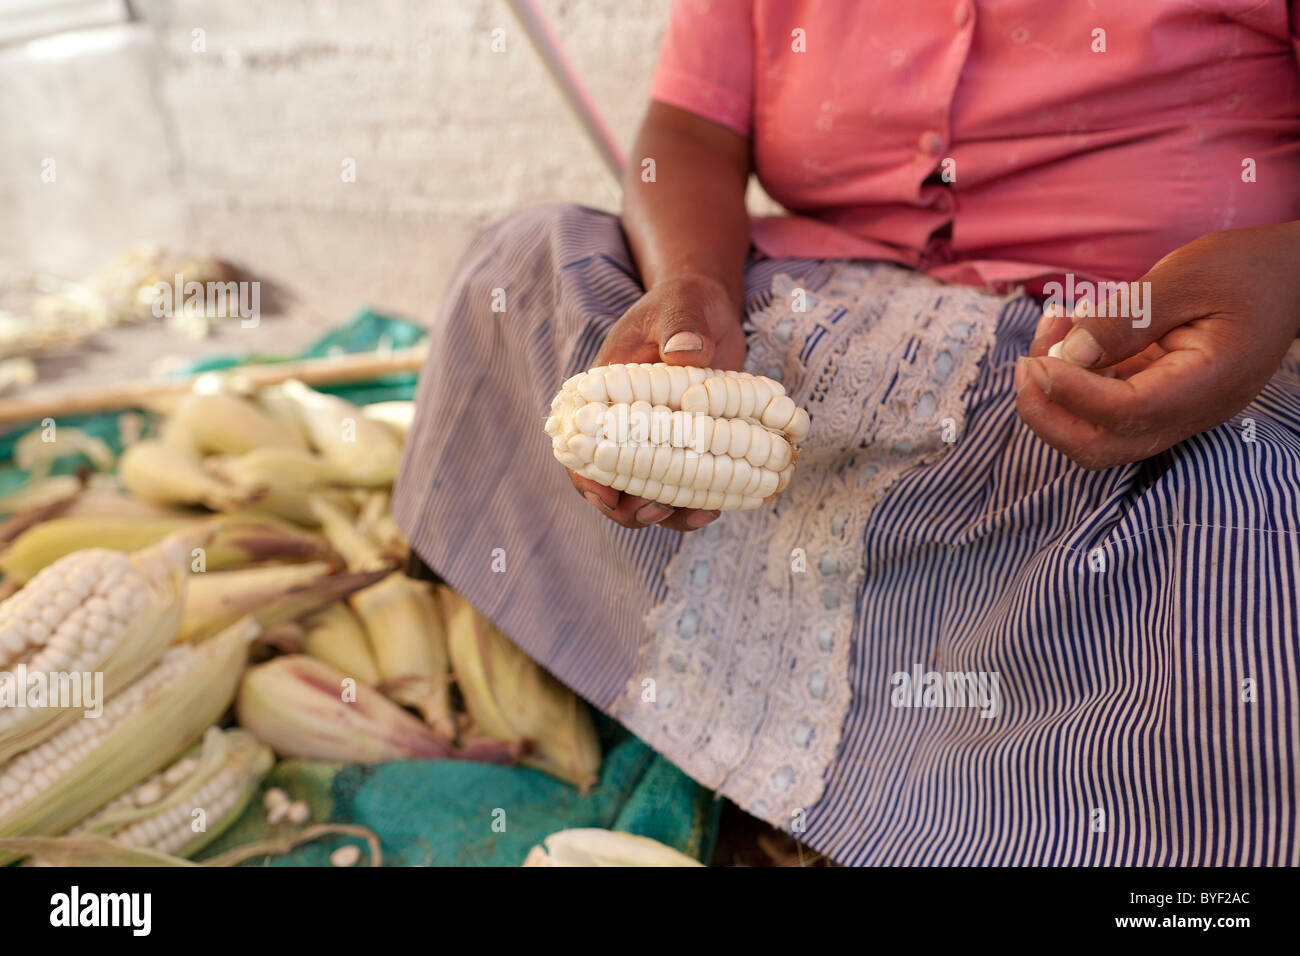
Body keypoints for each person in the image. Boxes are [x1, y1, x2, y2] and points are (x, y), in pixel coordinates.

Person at [394, 0, 1300, 865]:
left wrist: (1280, 278)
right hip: (810, 299)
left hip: (1141, 339)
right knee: (525, 270)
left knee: (1234, 494)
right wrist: (694, 285)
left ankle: (996, 805)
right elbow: (690, 133)